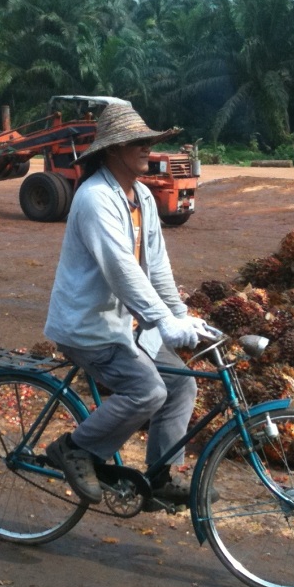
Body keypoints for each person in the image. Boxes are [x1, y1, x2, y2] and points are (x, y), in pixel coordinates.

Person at [44, 102, 217, 507]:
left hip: (124, 328)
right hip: (87, 327)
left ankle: (158, 477)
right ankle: (74, 449)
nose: (146, 149)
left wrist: (177, 314)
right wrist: (160, 319)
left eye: (148, 142)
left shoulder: (139, 195)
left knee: (181, 385)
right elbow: (120, 269)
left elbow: (156, 265)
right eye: (137, 143)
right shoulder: (94, 198)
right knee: (147, 390)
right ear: (112, 150)